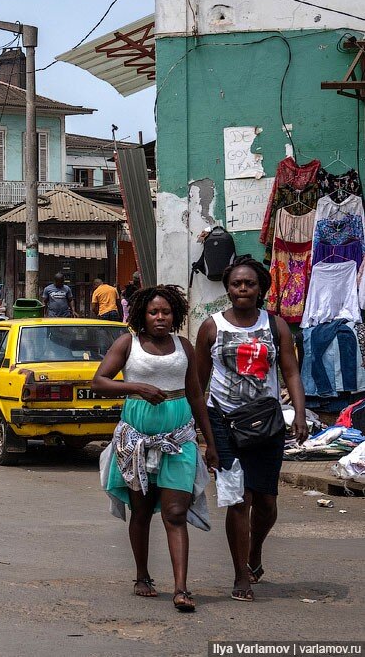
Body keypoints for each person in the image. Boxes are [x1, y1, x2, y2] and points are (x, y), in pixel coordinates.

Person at [94, 285, 218, 613]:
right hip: (135, 442)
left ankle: (181, 588)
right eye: (153, 312)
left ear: (175, 315)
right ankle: (142, 575)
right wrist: (135, 386)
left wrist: (210, 442)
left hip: (179, 442)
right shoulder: (128, 344)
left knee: (176, 513)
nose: (160, 318)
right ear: (142, 316)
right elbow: (99, 381)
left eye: (166, 312)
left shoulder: (184, 347)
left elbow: (195, 396)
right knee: (143, 511)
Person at [194, 257, 307, 603]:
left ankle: (255, 549)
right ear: (227, 288)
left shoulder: (276, 326)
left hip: (266, 424)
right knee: (238, 501)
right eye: (236, 284)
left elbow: (290, 372)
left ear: (260, 289)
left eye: (249, 284)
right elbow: (198, 384)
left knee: (267, 501)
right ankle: (241, 573)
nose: (242, 289)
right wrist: (200, 430)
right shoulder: (211, 327)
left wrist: (299, 414)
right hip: (224, 423)